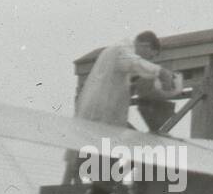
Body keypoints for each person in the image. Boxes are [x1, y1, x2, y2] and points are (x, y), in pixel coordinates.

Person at [63, 31, 177, 185]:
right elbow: (134, 62)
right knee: (98, 156)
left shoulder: (114, 53)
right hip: (101, 116)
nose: (147, 59)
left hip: (97, 113)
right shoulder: (121, 50)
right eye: (149, 56)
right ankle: (93, 188)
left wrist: (132, 87)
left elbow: (119, 80)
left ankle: (73, 186)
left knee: (81, 156)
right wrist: (160, 72)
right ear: (145, 45)